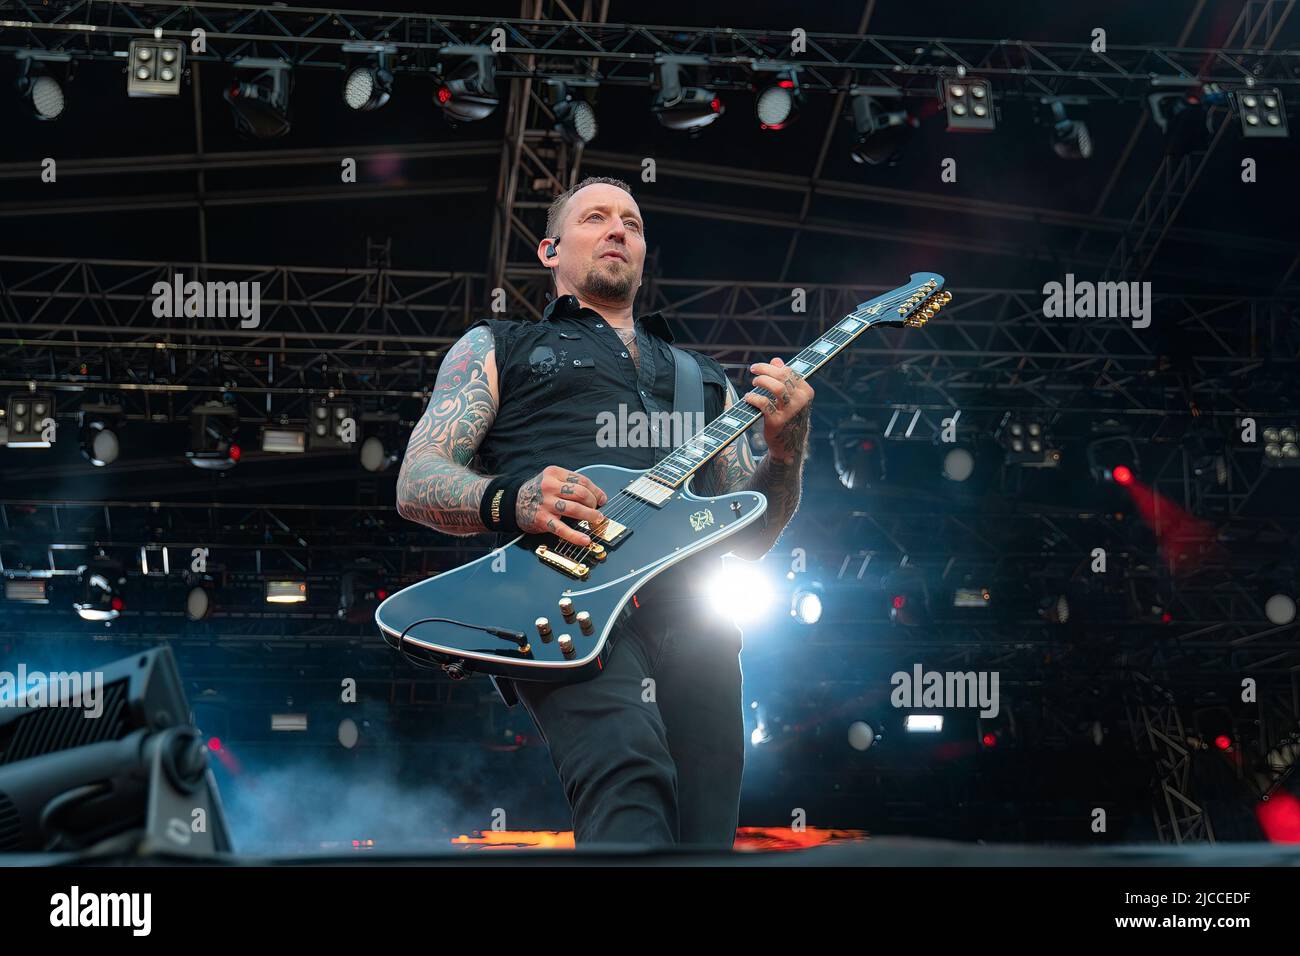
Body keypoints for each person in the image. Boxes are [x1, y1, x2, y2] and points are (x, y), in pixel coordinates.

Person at [395, 176, 813, 847]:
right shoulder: (499, 347)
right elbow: (417, 479)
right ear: (549, 250)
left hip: (695, 614)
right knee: (629, 776)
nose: (619, 229)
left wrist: (787, 453)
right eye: (596, 218)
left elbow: (750, 537)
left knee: (705, 822)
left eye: (632, 222)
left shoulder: (702, 378)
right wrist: (513, 497)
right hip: (565, 601)